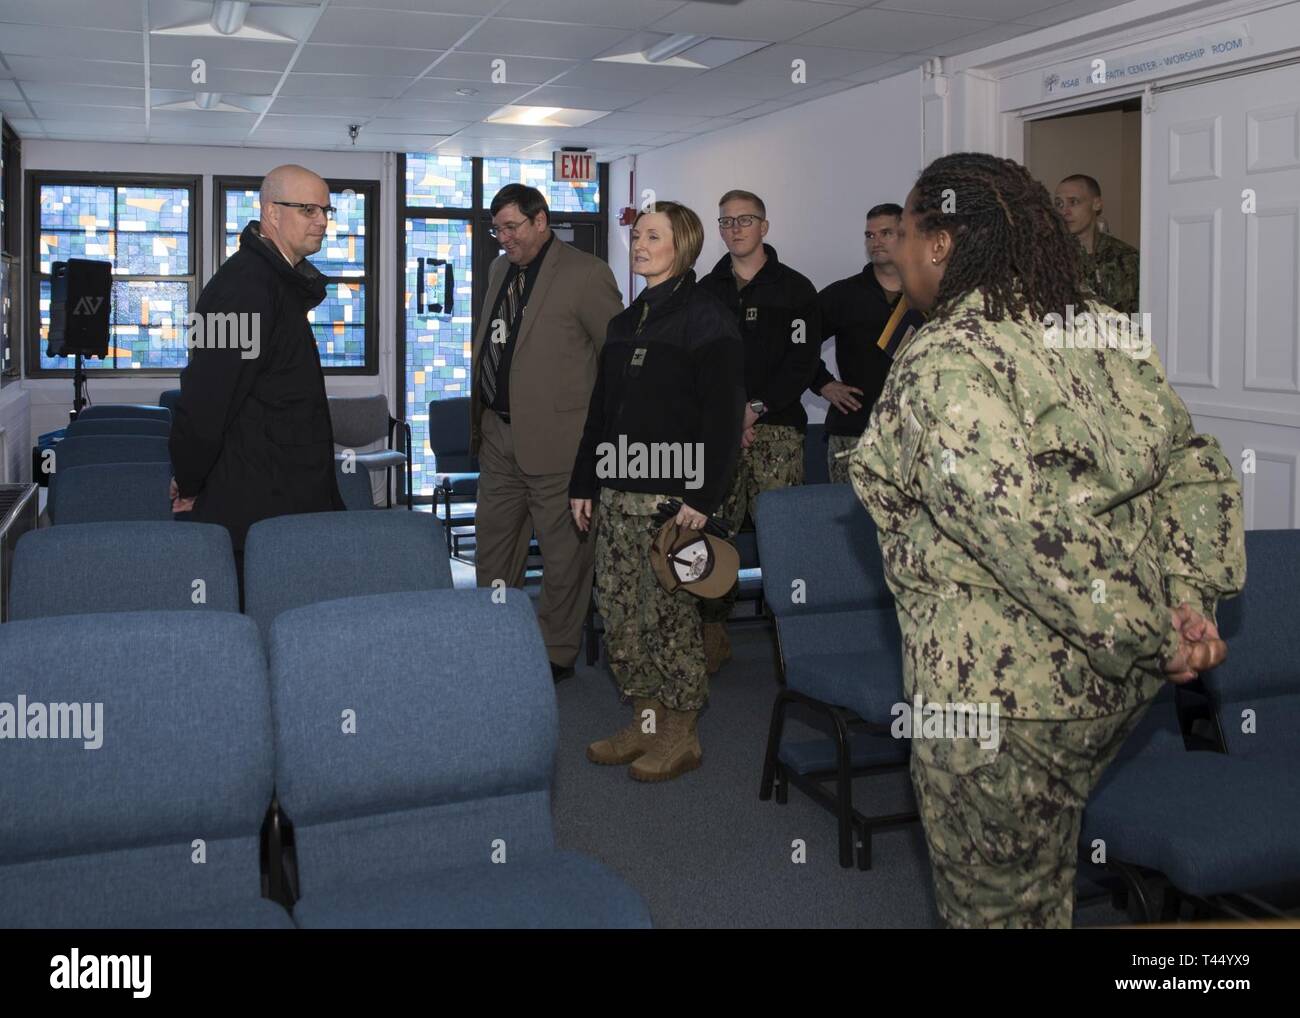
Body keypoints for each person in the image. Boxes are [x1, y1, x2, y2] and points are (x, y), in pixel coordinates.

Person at [850, 152, 1244, 928]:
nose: (894, 250)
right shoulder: (1103, 329)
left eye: (907, 231)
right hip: (1110, 691)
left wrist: (1152, 628)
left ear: (939, 244)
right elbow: (1191, 463)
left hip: (999, 706)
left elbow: (1024, 529)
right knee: (1045, 867)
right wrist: (1188, 602)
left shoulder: (942, 356)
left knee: (1000, 910)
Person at [570, 201, 744, 782]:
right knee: (620, 617)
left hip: (674, 502)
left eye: (652, 236)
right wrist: (583, 481)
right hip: (617, 494)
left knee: (669, 619)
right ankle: (645, 723)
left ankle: (680, 734)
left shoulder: (706, 317)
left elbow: (723, 418)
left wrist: (704, 496)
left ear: (683, 246)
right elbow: (599, 412)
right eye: (637, 236)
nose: (639, 245)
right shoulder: (625, 321)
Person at [470, 184, 623, 681]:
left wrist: (600, 443)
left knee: (564, 557)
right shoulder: (500, 270)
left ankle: (556, 652)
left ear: (541, 221)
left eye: (512, 227)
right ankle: (495, 638)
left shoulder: (586, 274)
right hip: (499, 435)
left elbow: (615, 362)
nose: (503, 238)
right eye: (497, 229)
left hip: (562, 443)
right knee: (493, 546)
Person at [170, 163, 344, 599]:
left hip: (286, 503)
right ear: (272, 213)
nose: (322, 220)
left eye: (326, 209)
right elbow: (205, 401)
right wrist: (190, 482)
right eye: (307, 209)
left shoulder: (274, 281)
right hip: (257, 514)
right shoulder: (242, 288)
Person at [695, 189, 821, 672]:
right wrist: (732, 413)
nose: (735, 229)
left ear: (764, 226)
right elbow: (702, 364)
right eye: (726, 222)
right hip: (722, 434)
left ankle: (795, 638)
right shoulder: (708, 291)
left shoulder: (796, 290)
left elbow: (801, 363)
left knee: (782, 537)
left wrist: (755, 409)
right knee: (714, 535)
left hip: (778, 431)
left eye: (744, 220)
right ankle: (713, 632)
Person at [811, 203, 905, 484]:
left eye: (885, 233)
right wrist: (823, 383)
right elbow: (795, 344)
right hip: (853, 431)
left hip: (915, 434)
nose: (875, 241)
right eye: (869, 235)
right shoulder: (844, 294)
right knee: (847, 524)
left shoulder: (928, 294)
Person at [1054, 174, 1139, 313]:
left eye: (1073, 202)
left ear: (1096, 204)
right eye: (1059, 204)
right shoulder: (1048, 259)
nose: (1064, 211)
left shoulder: (1127, 258)